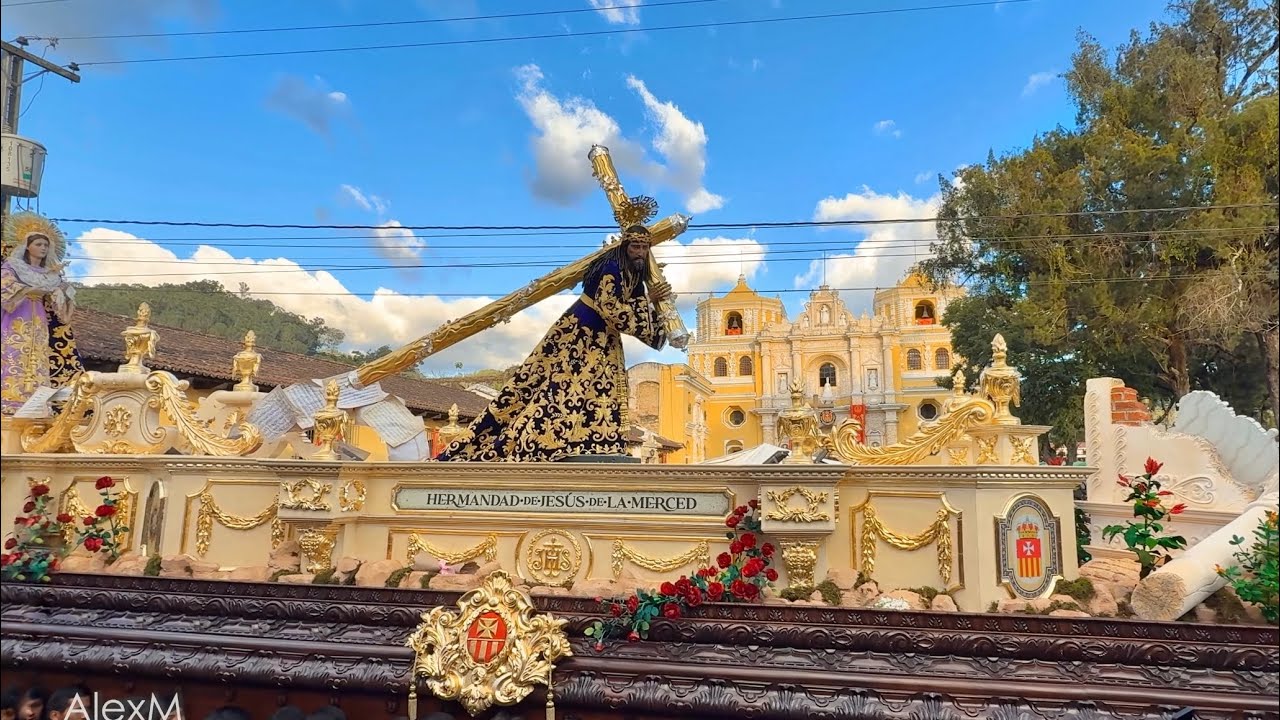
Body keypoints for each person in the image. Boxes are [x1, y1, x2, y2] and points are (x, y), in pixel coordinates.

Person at [437, 226, 670, 462]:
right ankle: (539, 439)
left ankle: (593, 441)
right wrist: (650, 300)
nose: (639, 252)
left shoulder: (635, 275)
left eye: (644, 248)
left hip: (605, 340)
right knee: (560, 389)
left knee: (602, 390)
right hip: (579, 334)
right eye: (635, 247)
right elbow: (610, 309)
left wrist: (659, 311)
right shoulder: (610, 268)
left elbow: (637, 313)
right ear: (625, 247)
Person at [1, 213, 85, 415]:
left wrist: (63, 292)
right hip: (16, 316)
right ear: (27, 245)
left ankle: (35, 401)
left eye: (46, 245)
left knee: (38, 357)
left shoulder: (51, 275)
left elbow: (62, 302)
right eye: (38, 244)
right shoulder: (12, 266)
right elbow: (5, 287)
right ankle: (8, 400)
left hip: (38, 318)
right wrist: (27, 290)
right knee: (14, 353)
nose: (43, 248)